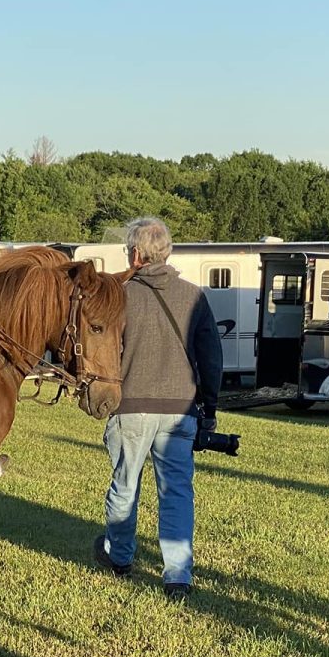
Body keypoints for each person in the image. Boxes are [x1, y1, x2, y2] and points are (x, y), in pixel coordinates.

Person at [92, 215, 223, 601]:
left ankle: (120, 557)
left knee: (125, 484)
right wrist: (210, 406)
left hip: (131, 405)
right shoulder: (194, 296)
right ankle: (177, 576)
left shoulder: (120, 295)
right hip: (181, 407)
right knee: (177, 492)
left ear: (136, 254)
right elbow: (211, 358)